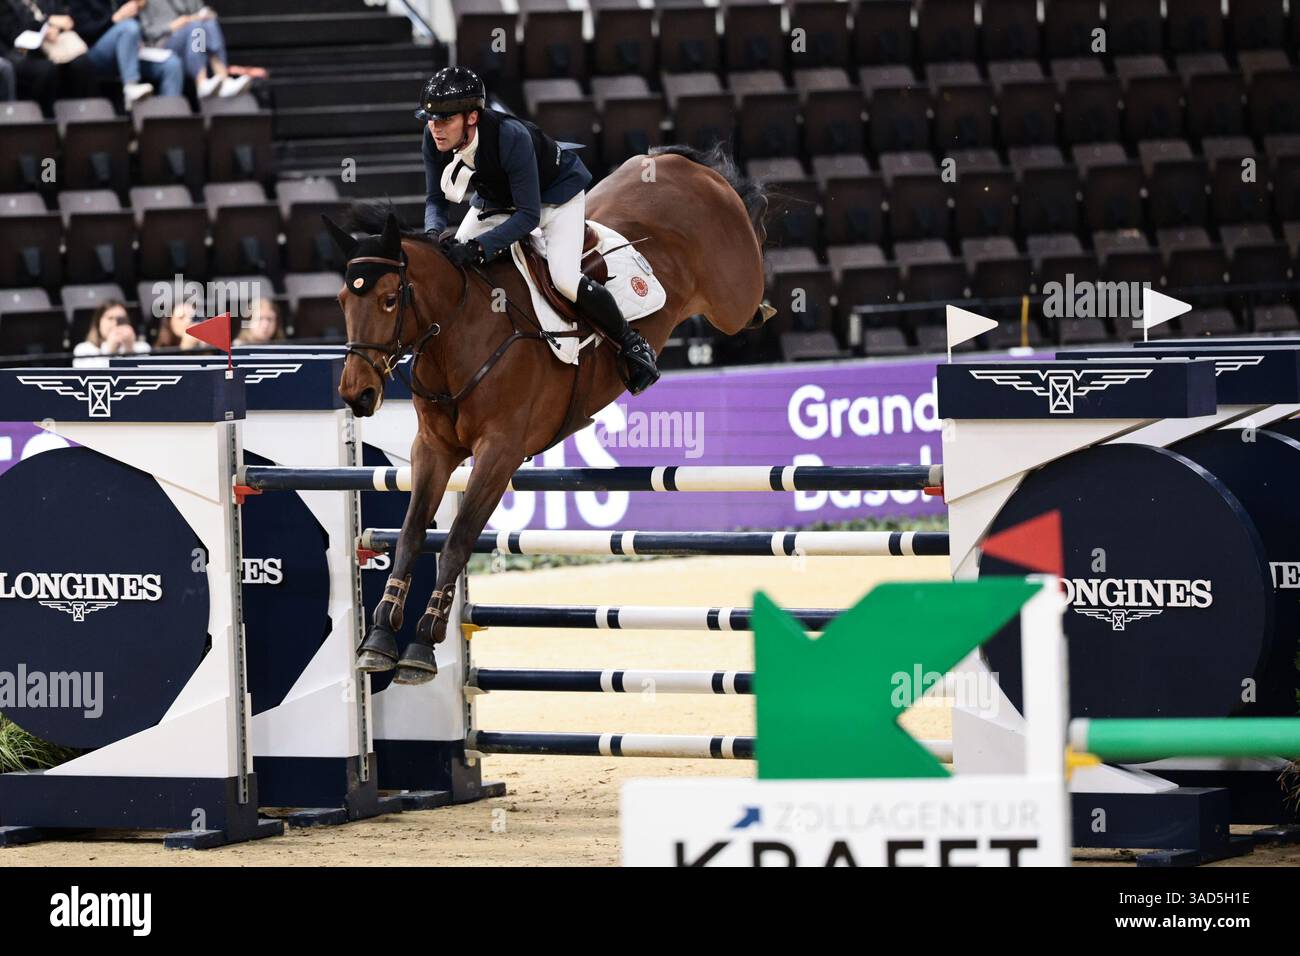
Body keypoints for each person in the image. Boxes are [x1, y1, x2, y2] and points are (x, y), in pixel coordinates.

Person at [418, 66, 659, 394]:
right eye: (431, 120)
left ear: (472, 117)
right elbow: (435, 199)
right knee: (452, 270)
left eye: (445, 120)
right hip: (498, 198)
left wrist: (478, 248)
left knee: (564, 278)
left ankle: (632, 344)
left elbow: (529, 217)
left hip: (555, 197)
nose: (435, 128)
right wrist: (433, 235)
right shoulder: (435, 139)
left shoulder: (509, 136)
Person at [67, 0, 183, 108]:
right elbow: (82, 30)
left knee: (172, 64)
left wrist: (138, 36)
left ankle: (169, 119)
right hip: (95, 53)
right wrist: (113, 20)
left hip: (129, 54)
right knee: (128, 27)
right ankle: (131, 85)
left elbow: (138, 26)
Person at [139, 0, 247, 98]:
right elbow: (147, 32)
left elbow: (199, 11)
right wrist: (171, 26)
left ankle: (224, 80)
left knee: (209, 24)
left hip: (193, 35)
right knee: (196, 28)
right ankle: (201, 82)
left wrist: (205, 14)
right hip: (163, 42)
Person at [0, 0, 76, 110]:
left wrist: (50, 27)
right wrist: (46, 24)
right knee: (46, 69)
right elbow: (13, 33)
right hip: (14, 50)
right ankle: (41, 117)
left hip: (41, 44)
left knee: (78, 62)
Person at [72, 300, 151, 367]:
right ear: (98, 322)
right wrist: (110, 351)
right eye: (110, 318)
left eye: (121, 319)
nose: (115, 323)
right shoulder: (83, 349)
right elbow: (92, 378)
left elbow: (144, 376)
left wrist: (129, 350)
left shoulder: (142, 347)